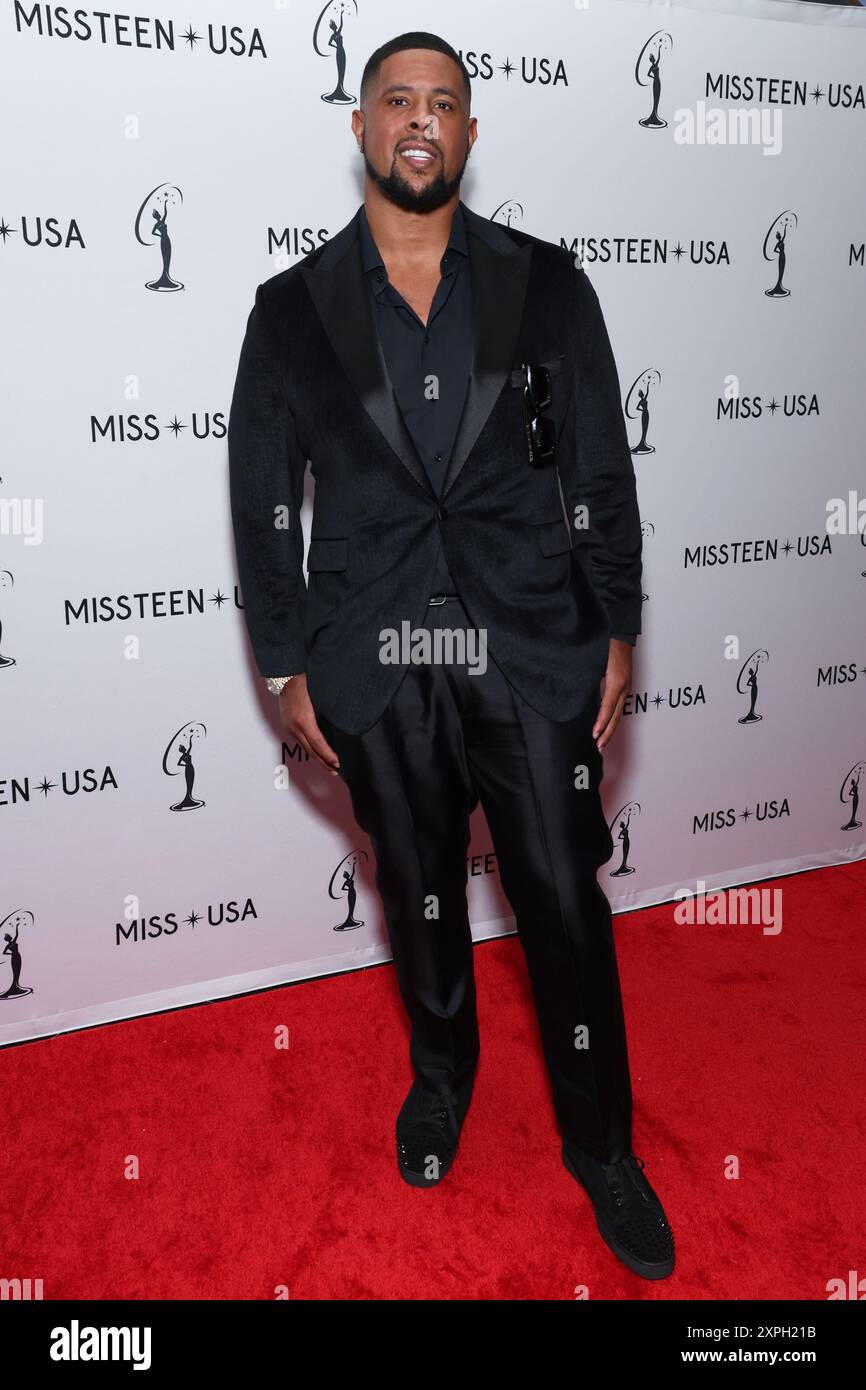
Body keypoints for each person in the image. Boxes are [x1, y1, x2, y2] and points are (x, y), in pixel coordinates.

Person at [228, 31, 675, 1281]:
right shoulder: (288, 312)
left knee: (560, 904)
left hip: (528, 642)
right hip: (373, 658)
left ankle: (600, 1148)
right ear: (361, 128)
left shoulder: (548, 285)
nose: (418, 121)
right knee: (419, 896)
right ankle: (440, 1081)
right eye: (396, 101)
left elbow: (598, 469)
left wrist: (618, 624)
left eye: (442, 104)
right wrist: (283, 662)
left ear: (470, 137)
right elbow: (264, 497)